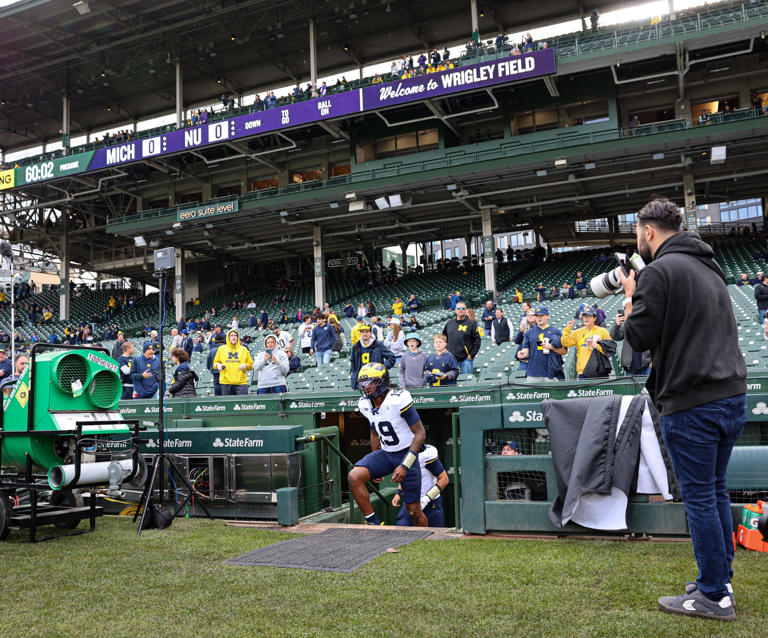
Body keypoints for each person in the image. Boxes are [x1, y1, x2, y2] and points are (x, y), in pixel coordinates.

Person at [619, 197, 746, 621]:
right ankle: (719, 579)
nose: (638, 240)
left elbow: (636, 338)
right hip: (730, 393)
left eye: (638, 233)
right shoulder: (709, 266)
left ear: (648, 232)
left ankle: (713, 594)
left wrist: (631, 301)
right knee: (715, 490)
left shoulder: (658, 271)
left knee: (700, 496)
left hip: (693, 400)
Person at [347, 363, 428, 527]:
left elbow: (420, 433)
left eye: (370, 383)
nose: (366, 388)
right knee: (354, 476)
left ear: (382, 381)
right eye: (363, 384)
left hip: (406, 454)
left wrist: (405, 465)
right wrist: (374, 460)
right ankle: (373, 524)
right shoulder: (364, 404)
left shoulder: (399, 399)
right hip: (386, 453)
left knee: (413, 512)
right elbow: (374, 433)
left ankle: (427, 540)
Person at [392, 443, 448, 527]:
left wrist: (426, 499)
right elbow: (406, 475)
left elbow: (444, 479)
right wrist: (398, 492)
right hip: (411, 501)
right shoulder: (399, 452)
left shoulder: (425, 454)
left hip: (430, 503)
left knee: (435, 536)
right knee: (402, 530)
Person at [560, 307, 614, 379]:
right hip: (583, 370)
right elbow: (565, 343)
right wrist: (567, 329)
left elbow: (609, 349)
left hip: (600, 370)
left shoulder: (602, 331)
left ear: (594, 318)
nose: (586, 318)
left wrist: (596, 346)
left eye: (589, 316)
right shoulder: (578, 332)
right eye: (584, 316)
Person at [517, 306, 565, 382]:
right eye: (537, 316)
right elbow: (526, 350)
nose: (539, 318)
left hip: (551, 373)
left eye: (542, 315)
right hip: (533, 373)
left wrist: (552, 347)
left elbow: (564, 351)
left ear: (548, 316)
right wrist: (522, 353)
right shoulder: (529, 332)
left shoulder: (556, 331)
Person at [349, 323, 395, 389]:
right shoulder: (356, 346)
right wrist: (352, 372)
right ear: (360, 333)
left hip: (376, 380)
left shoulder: (378, 345)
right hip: (360, 381)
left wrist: (381, 367)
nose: (364, 334)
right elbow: (352, 361)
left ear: (371, 333)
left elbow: (391, 358)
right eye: (362, 332)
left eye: (367, 331)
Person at [442, 301, 481, 374]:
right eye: (458, 308)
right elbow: (444, 338)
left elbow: (477, 340)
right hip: (451, 359)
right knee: (452, 382)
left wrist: (471, 355)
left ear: (466, 310)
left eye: (463, 308)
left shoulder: (471, 323)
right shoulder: (449, 323)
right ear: (455, 310)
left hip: (466, 359)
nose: (460, 310)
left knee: (467, 381)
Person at [213, 329, 253, 396]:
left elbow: (251, 365)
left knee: (242, 405)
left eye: (235, 335)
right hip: (226, 382)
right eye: (231, 335)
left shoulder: (244, 349)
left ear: (238, 337)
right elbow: (215, 363)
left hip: (241, 382)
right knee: (227, 405)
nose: (233, 337)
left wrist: (246, 365)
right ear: (228, 337)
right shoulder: (221, 349)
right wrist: (218, 365)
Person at [610, 311, 651, 376]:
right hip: (630, 368)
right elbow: (615, 337)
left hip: (646, 367)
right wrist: (616, 324)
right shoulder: (626, 325)